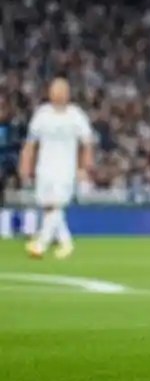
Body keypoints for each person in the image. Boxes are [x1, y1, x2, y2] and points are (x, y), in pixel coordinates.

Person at [19, 78, 94, 259]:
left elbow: (87, 143)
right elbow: (30, 143)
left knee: (57, 204)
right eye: (55, 90)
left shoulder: (76, 115)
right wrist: (25, 164)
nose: (58, 93)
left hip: (65, 168)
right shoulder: (42, 114)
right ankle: (66, 243)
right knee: (48, 206)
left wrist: (85, 167)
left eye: (62, 90)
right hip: (44, 167)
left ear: (68, 94)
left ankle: (41, 243)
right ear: (50, 92)